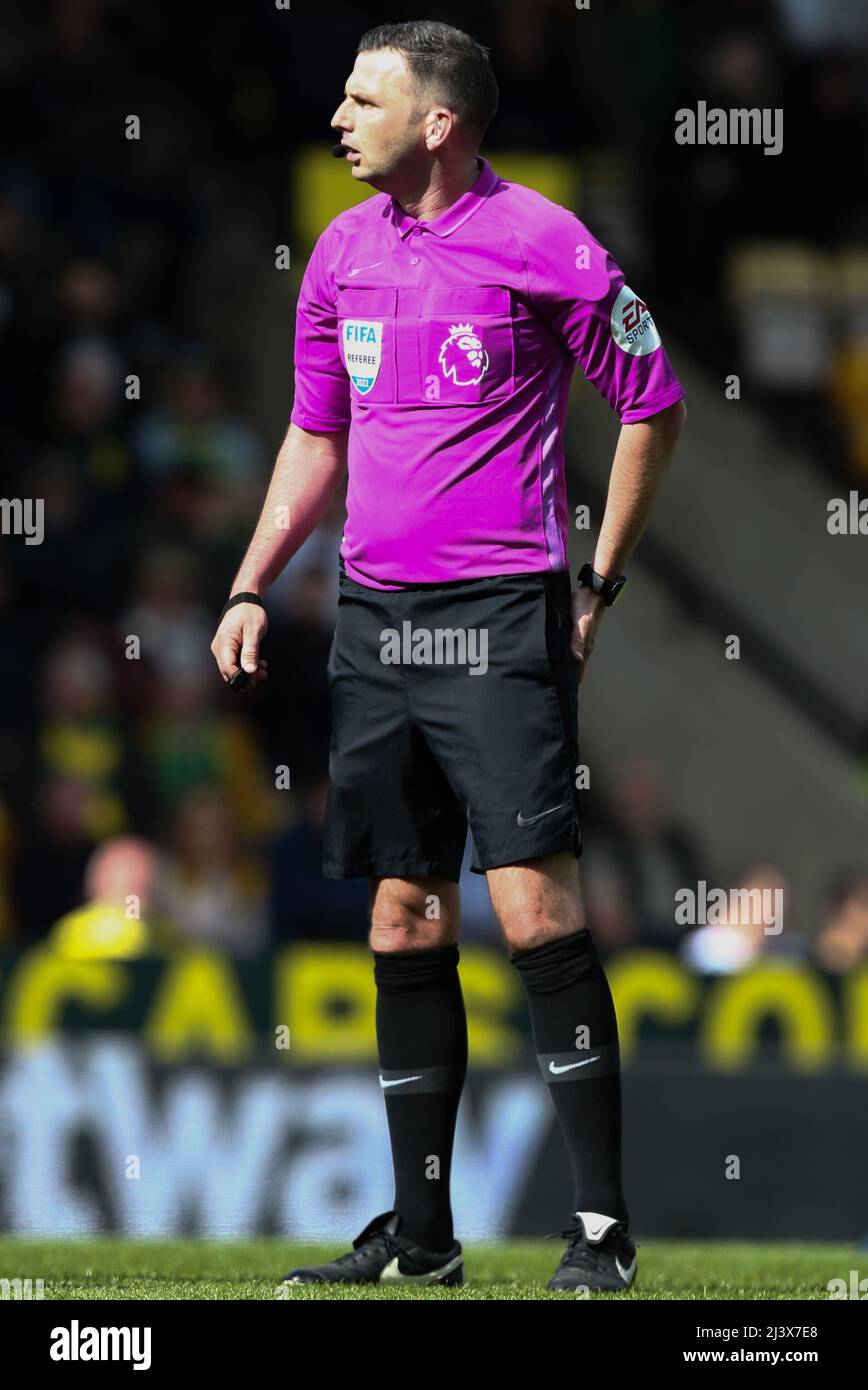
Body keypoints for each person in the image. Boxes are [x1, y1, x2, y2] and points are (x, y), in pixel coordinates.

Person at [210, 20, 686, 1291]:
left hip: (499, 616)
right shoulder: (340, 252)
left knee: (532, 906)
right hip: (372, 621)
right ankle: (422, 1239)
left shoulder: (544, 242)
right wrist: (256, 577)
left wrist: (597, 583)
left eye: (364, 97)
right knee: (403, 913)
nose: (337, 116)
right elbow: (317, 435)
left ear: (437, 121)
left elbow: (653, 400)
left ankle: (599, 1230)